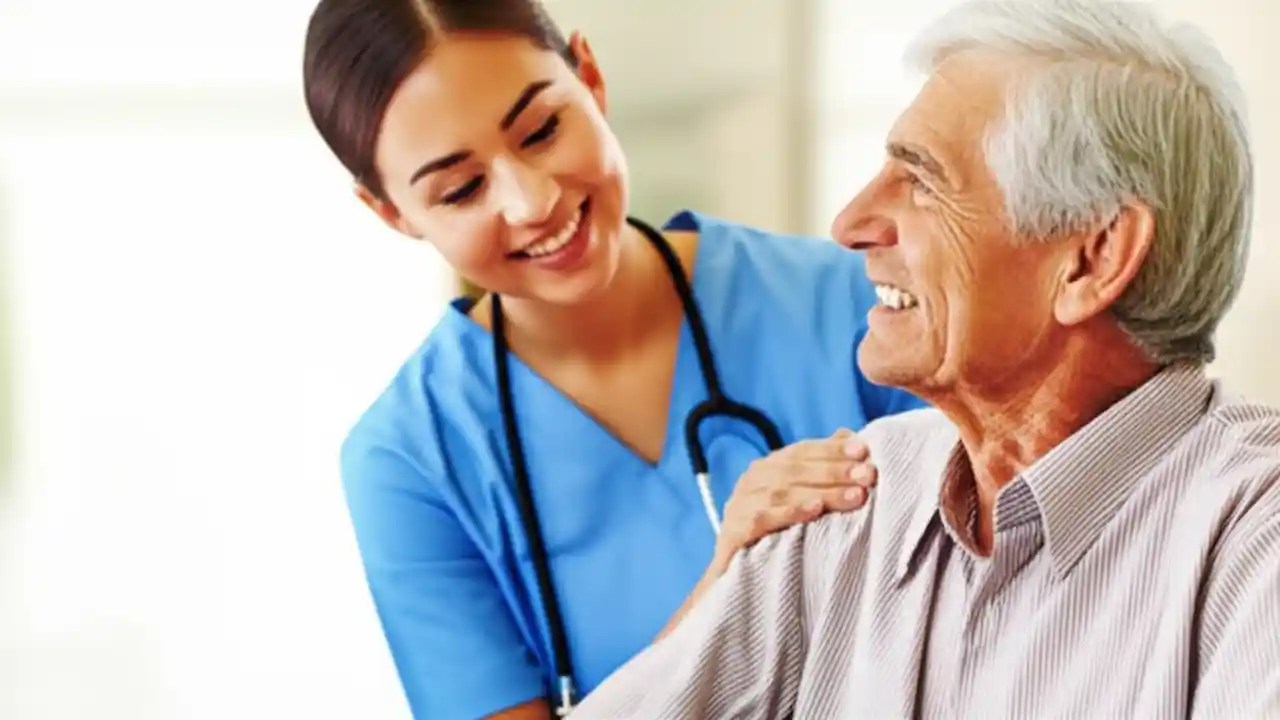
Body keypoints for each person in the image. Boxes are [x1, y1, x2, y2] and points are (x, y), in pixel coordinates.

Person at [571, 0, 1280, 717]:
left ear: (1094, 257)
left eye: (924, 182)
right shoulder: (852, 494)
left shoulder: (1255, 537)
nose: (849, 225)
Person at [301, 1, 926, 718]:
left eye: (542, 130)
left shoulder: (857, 303)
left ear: (590, 78)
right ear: (393, 214)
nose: (533, 201)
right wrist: (727, 588)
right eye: (462, 189)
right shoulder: (411, 460)